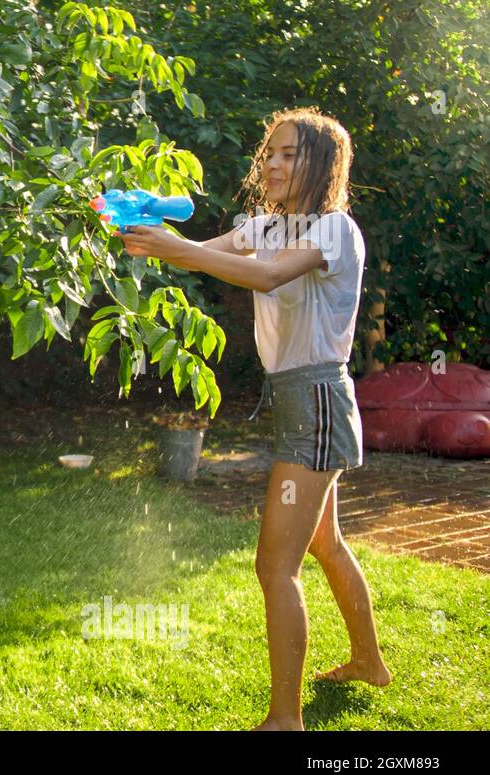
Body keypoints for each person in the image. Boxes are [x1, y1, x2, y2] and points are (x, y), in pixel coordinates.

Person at [115, 106, 391, 731]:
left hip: (316, 402)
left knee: (276, 566)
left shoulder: (334, 229)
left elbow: (264, 275)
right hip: (304, 404)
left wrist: (177, 246)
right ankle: (368, 662)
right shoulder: (265, 226)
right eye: (270, 151)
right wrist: (142, 230)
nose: (271, 162)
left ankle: (284, 719)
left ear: (322, 163)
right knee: (324, 541)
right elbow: (198, 256)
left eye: (288, 153)